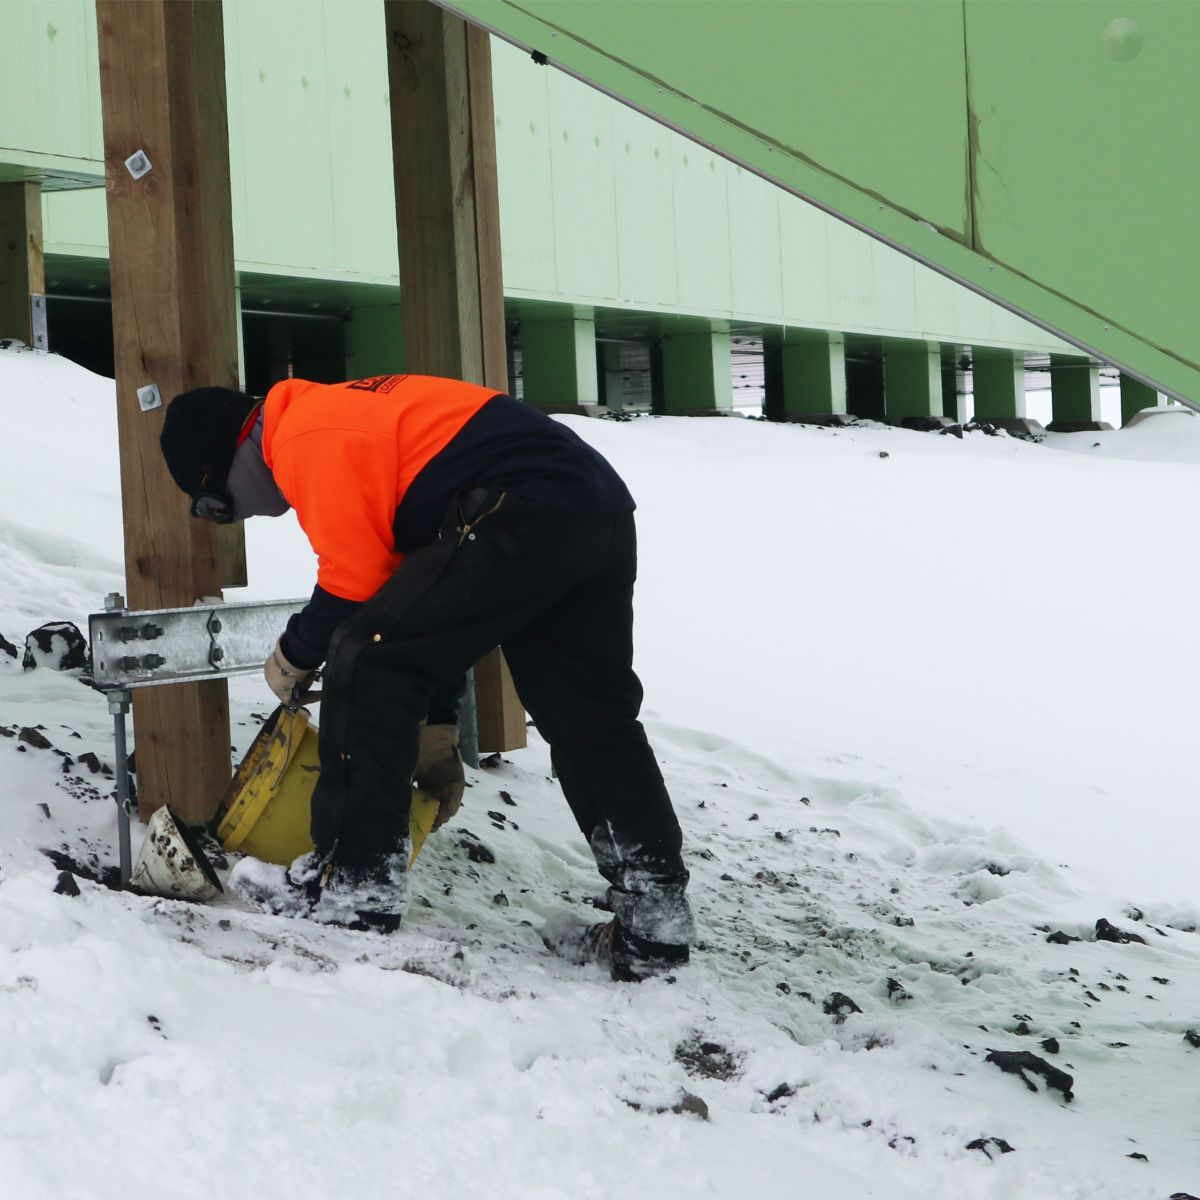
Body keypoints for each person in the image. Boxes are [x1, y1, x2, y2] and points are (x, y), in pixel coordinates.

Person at [159, 374, 694, 980]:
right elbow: (420, 602)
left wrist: (294, 653)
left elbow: (356, 589)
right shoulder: (339, 413)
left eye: (215, 505)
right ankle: (654, 923)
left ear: (227, 457)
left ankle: (355, 886)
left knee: (363, 659)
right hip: (590, 505)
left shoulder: (304, 434)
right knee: (591, 714)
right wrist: (436, 729)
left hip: (518, 505)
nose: (228, 518)